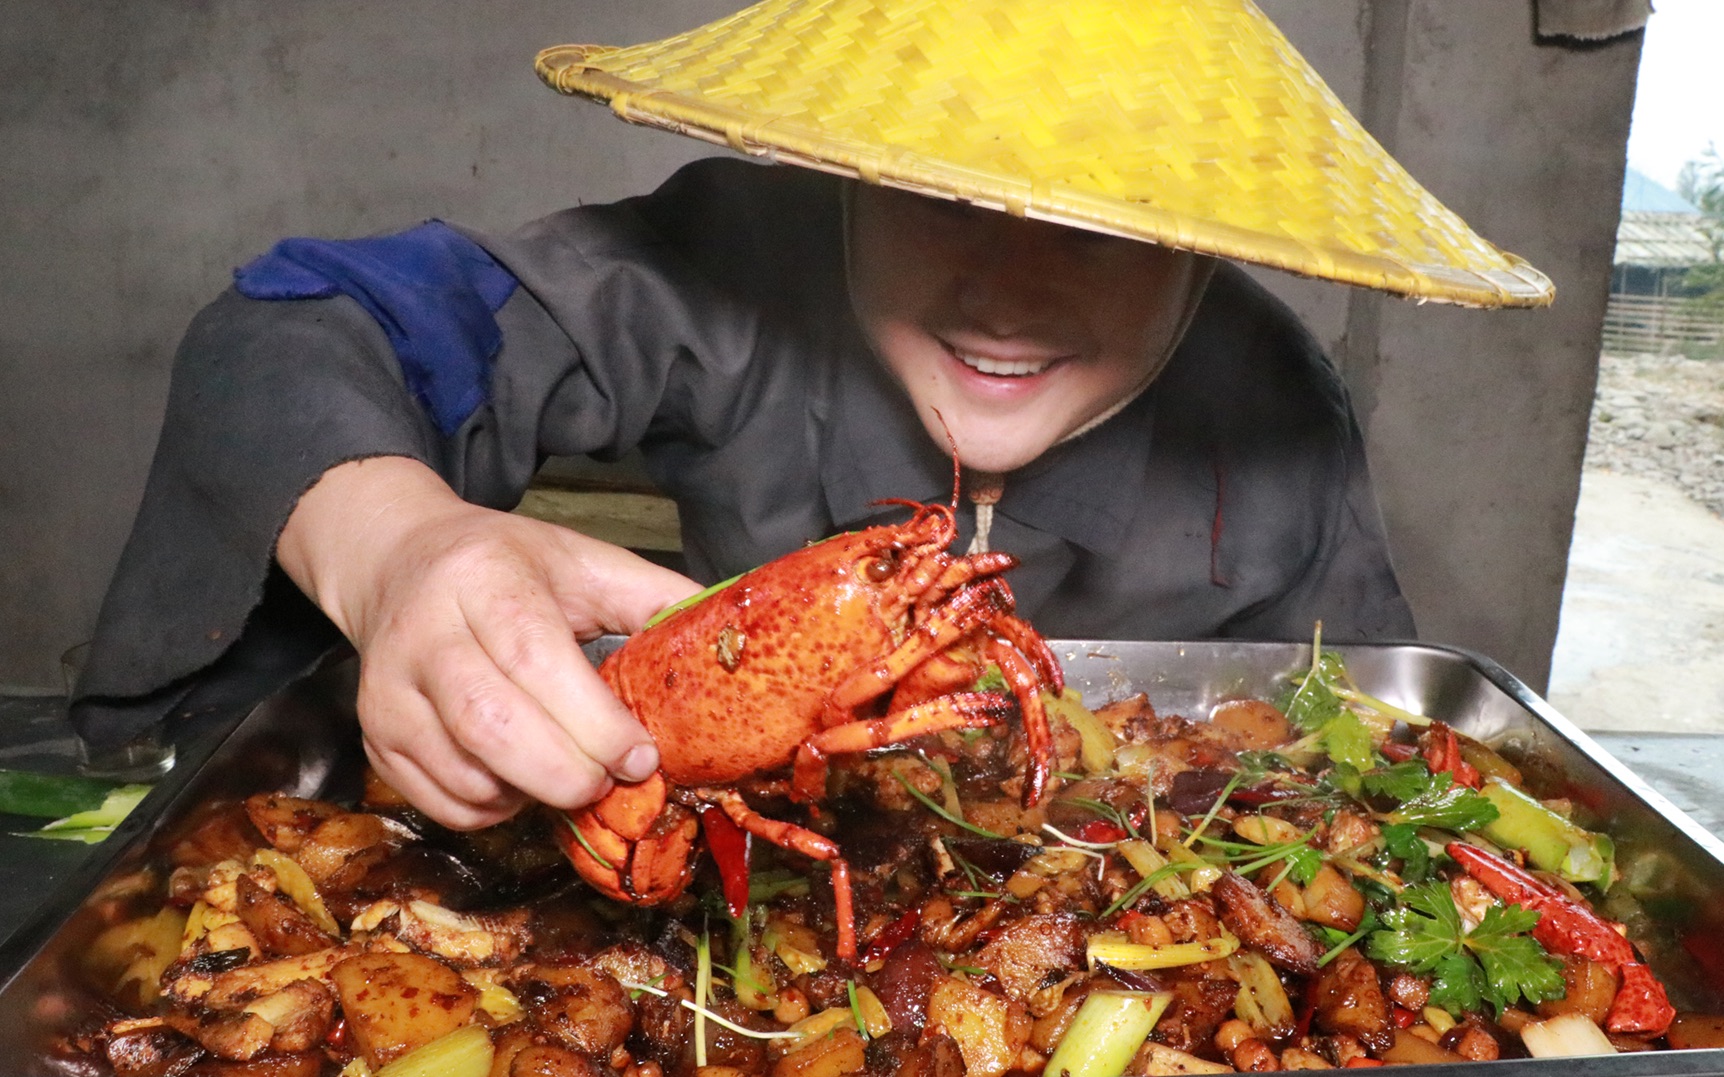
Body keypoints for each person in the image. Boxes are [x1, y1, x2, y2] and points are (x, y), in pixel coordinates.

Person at [71, 0, 1551, 830]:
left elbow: (1369, 745)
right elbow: (294, 326)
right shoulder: (729, 262)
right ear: (845, 173)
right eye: (938, 197)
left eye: (1100, 227)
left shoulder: (1280, 404)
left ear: (1210, 238)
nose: (1007, 296)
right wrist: (399, 550)